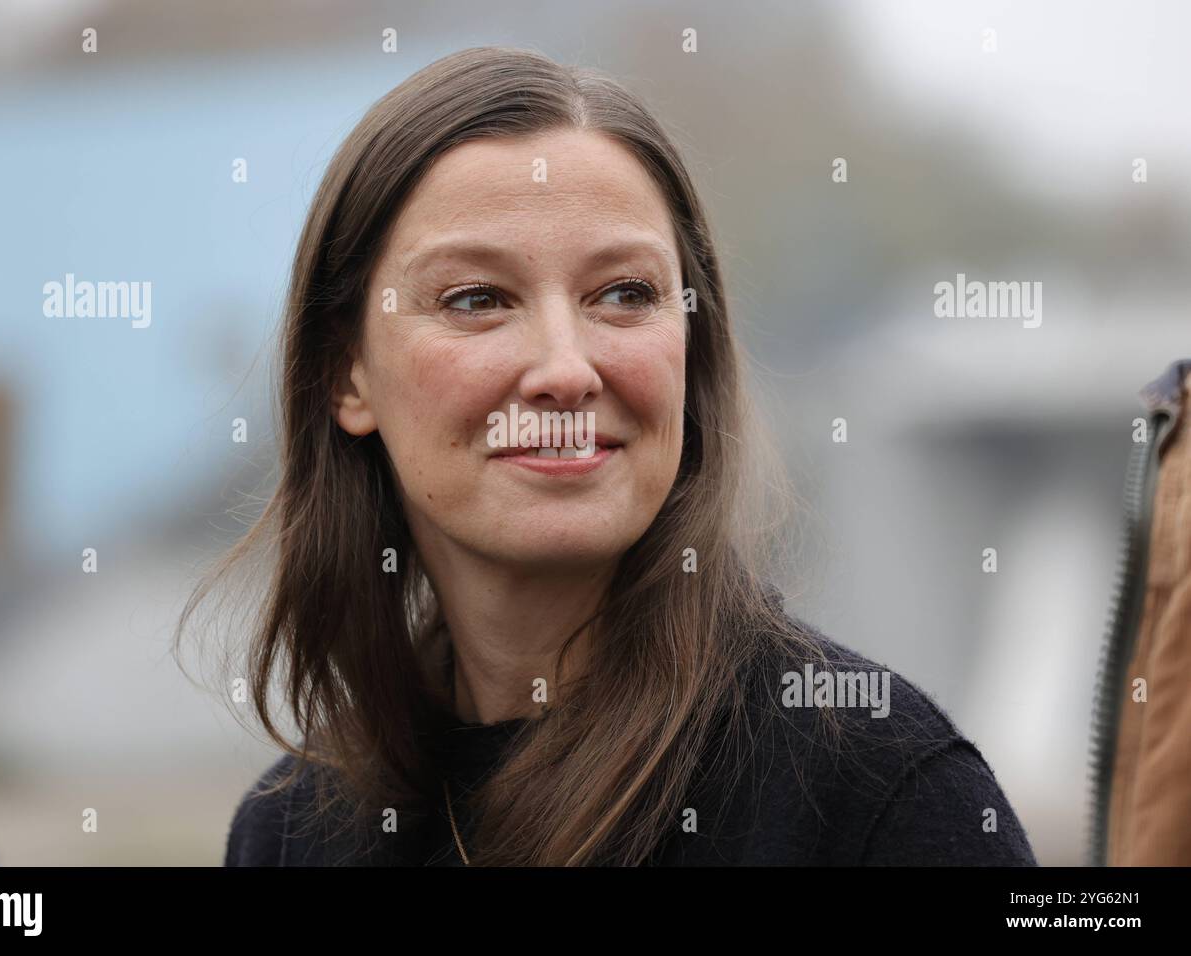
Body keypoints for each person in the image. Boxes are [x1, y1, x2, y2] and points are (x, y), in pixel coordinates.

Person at [187, 45, 1037, 867]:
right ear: (348, 374)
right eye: (477, 298)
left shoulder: (882, 799)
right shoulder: (291, 832)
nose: (564, 368)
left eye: (625, 294)